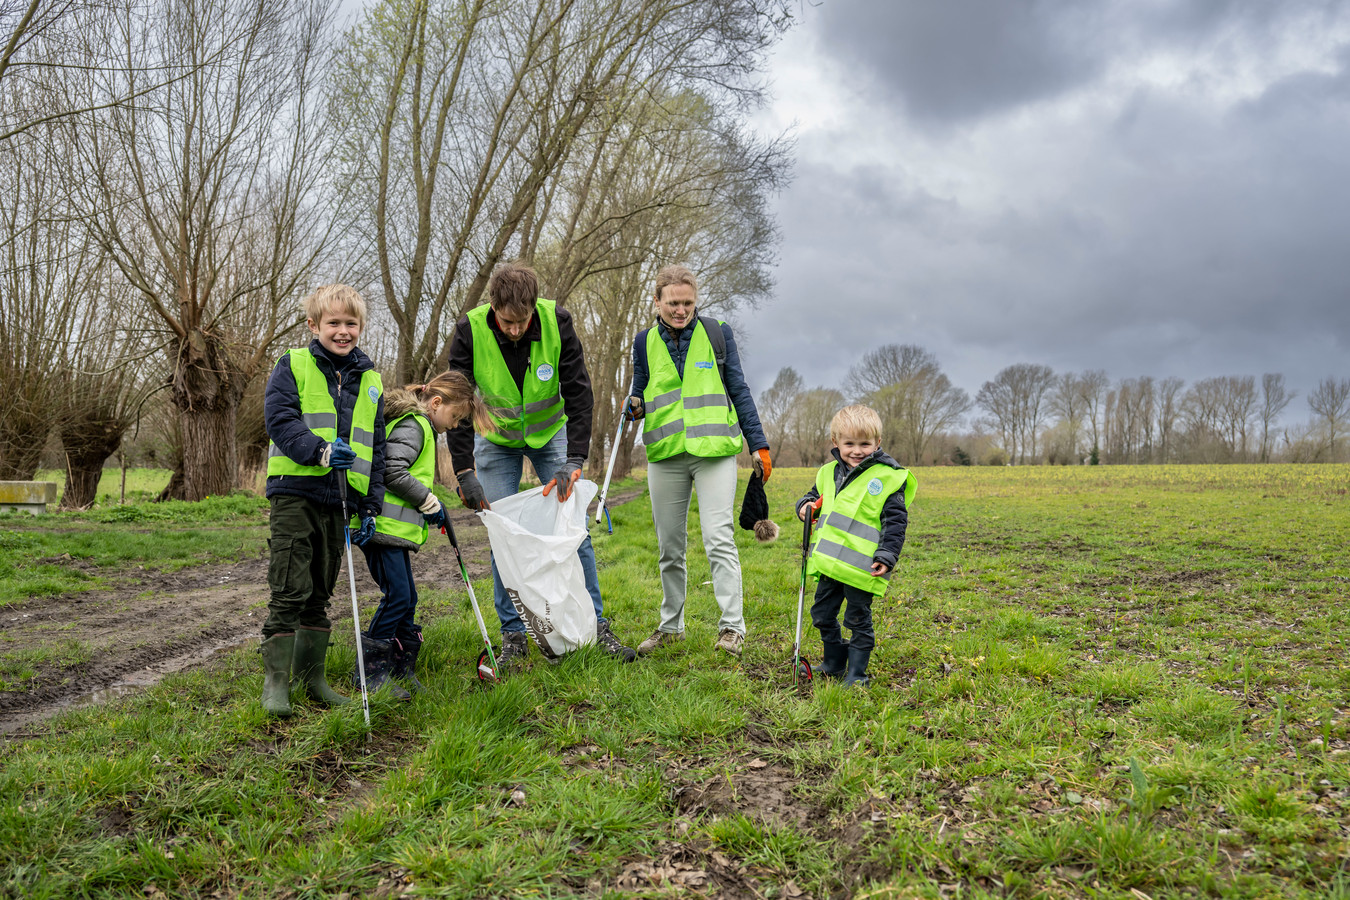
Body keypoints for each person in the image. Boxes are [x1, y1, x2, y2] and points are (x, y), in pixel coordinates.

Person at [442, 260, 634, 669]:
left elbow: (580, 395)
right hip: (496, 443)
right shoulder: (469, 330)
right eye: (508, 322)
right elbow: (458, 403)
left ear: (533, 308)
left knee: (573, 527)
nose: (515, 329)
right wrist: (464, 472)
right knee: (503, 534)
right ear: (493, 306)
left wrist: (574, 460)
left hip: (550, 438)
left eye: (522, 321)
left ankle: (595, 625)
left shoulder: (557, 322)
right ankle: (513, 634)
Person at [626, 264, 772, 658]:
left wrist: (758, 444)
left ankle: (731, 629)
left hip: (714, 453)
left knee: (718, 537)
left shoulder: (717, 333)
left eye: (688, 303)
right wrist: (632, 405)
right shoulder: (642, 342)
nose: (681, 310)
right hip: (666, 454)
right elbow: (640, 390)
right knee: (669, 546)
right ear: (657, 301)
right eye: (673, 303)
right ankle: (671, 627)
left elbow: (738, 388)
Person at [260, 284, 386, 717]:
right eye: (334, 323)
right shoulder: (292, 364)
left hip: (341, 498)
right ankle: (276, 682)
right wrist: (320, 450)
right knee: (290, 587)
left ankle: (312, 679)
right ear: (314, 326)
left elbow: (377, 449)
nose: (343, 330)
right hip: (296, 491)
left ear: (361, 328)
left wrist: (370, 505)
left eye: (351, 323)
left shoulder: (371, 380)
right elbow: (280, 420)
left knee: (320, 589)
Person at [353, 371, 495, 699]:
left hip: (395, 530)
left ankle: (402, 669)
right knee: (399, 596)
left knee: (408, 599)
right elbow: (391, 469)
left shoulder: (423, 428)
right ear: (435, 403)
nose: (456, 424)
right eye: (455, 416)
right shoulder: (415, 425)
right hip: (380, 527)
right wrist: (426, 499)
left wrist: (433, 506)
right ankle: (369, 674)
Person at [795, 405, 915, 687]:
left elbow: (895, 522)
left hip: (862, 567)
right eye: (850, 443)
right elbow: (813, 497)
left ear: (878, 443)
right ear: (835, 443)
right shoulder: (827, 473)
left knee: (857, 619)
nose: (857, 450)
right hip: (828, 563)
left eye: (865, 444)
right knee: (822, 615)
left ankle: (857, 674)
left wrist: (887, 555)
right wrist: (804, 507)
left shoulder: (888, 477)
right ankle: (834, 664)